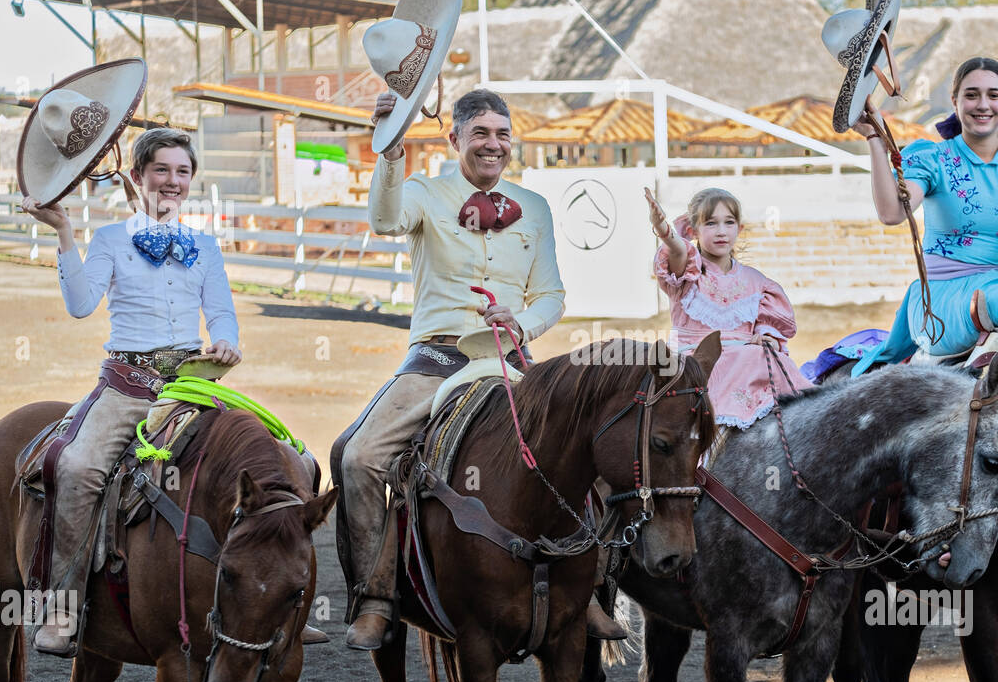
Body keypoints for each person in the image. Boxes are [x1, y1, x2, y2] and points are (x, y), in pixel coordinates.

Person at [334, 88, 624, 648]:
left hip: (510, 359)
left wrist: (521, 322)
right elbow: (385, 219)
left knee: (595, 449)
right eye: (481, 134)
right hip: (437, 358)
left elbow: (551, 295)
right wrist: (389, 149)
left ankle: (589, 586)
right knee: (359, 455)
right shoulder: (424, 192)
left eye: (502, 135)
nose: (493, 145)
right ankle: (375, 597)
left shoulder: (533, 207)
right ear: (455, 139)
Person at [21, 128, 242, 655]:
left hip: (191, 383)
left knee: (288, 460)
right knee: (77, 469)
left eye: (182, 172)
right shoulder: (111, 242)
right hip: (126, 385)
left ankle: (271, 603)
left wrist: (227, 340)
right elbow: (80, 304)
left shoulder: (205, 246)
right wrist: (65, 233)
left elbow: (221, 310)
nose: (172, 182)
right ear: (139, 176)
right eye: (161, 171)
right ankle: (62, 606)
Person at [850, 56, 998, 375]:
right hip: (943, 299)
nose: (982, 105)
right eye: (971, 94)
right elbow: (892, 213)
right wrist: (874, 138)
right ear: (955, 101)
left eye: (993, 95)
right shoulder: (933, 159)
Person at [647, 186, 813, 429]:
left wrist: (768, 340)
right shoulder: (690, 273)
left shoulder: (757, 282)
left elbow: (769, 329)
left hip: (747, 365)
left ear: (740, 228)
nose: (721, 232)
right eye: (711, 223)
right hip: (698, 363)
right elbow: (677, 248)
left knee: (768, 360)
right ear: (693, 231)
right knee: (742, 357)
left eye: (729, 222)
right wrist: (664, 230)